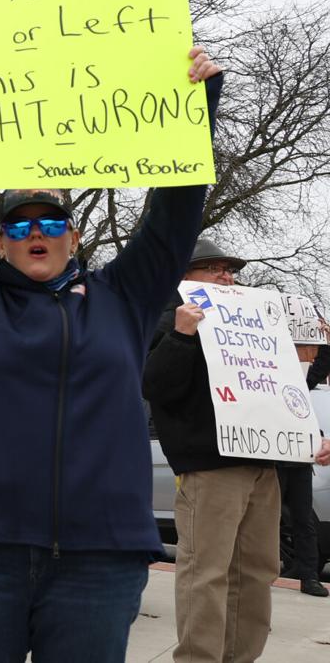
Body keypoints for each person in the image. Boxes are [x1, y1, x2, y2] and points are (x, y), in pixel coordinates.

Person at [0, 47, 224, 662]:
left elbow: (174, 214)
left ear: (74, 237)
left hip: (99, 561)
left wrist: (196, 110)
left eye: (51, 223)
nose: (36, 233)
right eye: (19, 225)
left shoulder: (125, 296)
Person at [144, 239, 330, 660]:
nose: (226, 276)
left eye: (229, 270)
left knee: (258, 571)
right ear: (184, 277)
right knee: (206, 572)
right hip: (210, 469)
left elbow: (280, 389)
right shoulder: (166, 322)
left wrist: (308, 436)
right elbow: (154, 386)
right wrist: (181, 334)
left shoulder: (255, 325)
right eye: (213, 268)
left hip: (264, 466)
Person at [279, 340, 329, 597]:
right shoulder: (260, 387)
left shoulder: (300, 385)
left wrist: (327, 344)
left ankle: (309, 577)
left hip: (298, 457)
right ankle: (263, 574)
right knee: (265, 520)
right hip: (271, 460)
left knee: (303, 520)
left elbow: (319, 370)